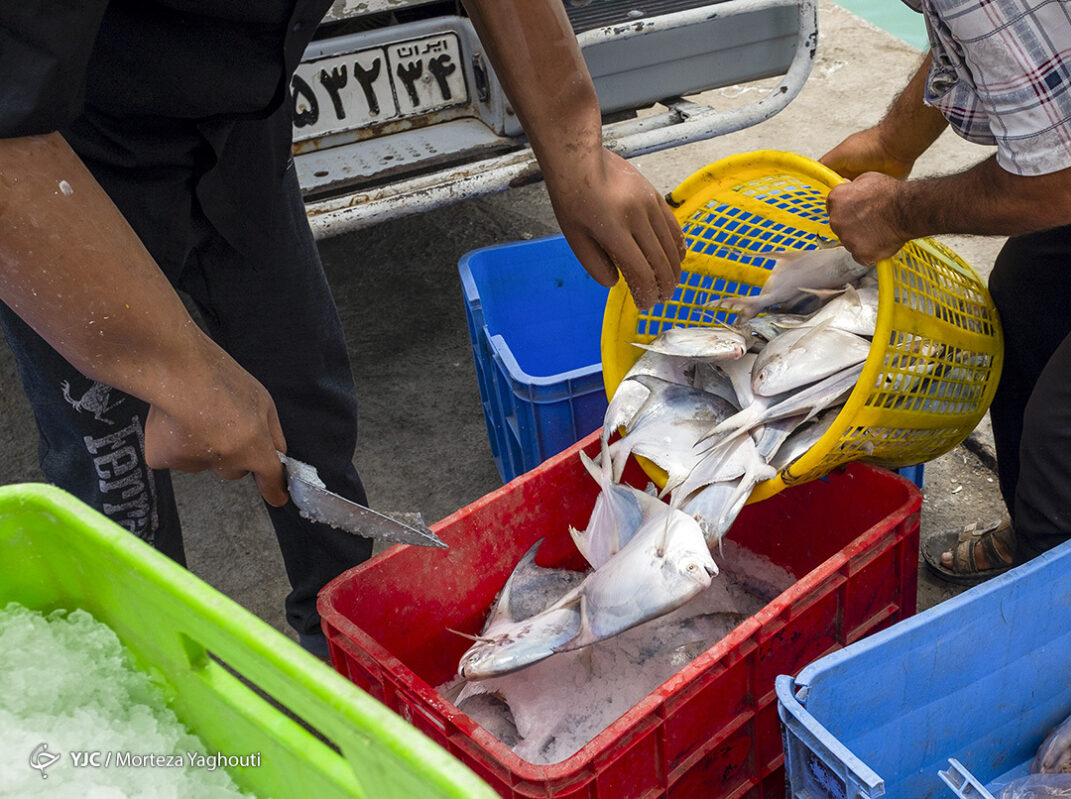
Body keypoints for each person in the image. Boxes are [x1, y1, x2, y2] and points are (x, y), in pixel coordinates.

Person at [0, 1, 684, 657]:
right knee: (120, 496)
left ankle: (344, 649)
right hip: (63, 169)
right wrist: (174, 367)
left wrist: (575, 143)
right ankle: (150, 702)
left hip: (246, 131)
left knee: (309, 415)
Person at [818, 0, 1071, 583]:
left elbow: (1063, 186)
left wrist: (896, 212)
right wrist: (892, 142)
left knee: (1070, 434)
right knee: (1025, 303)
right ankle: (1046, 528)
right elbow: (997, 38)